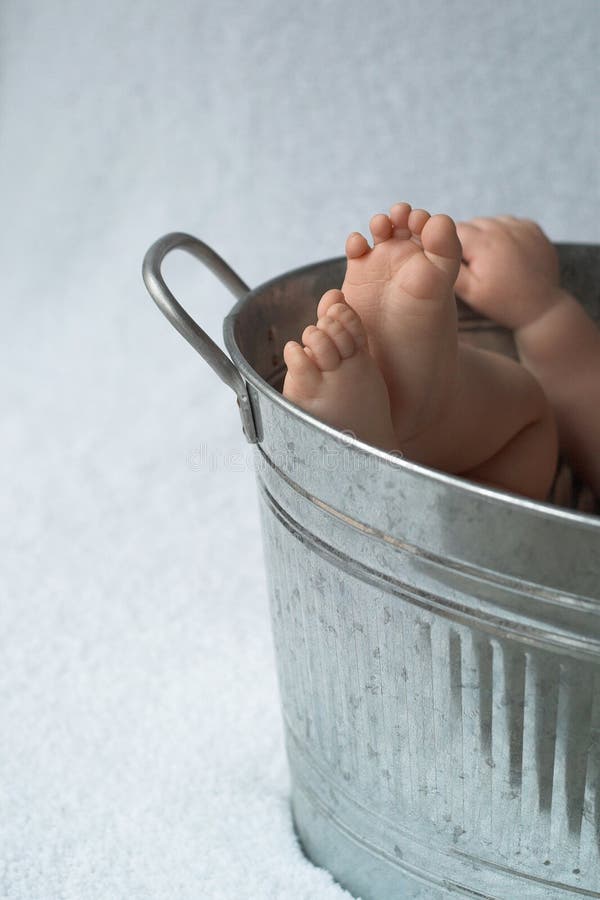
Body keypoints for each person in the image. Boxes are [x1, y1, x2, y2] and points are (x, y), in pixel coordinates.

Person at [282, 203, 599, 502]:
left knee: (530, 416)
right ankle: (421, 415)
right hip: (490, 520)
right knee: (525, 421)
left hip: (479, 536)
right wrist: (542, 311)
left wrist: (545, 313)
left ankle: (396, 440)